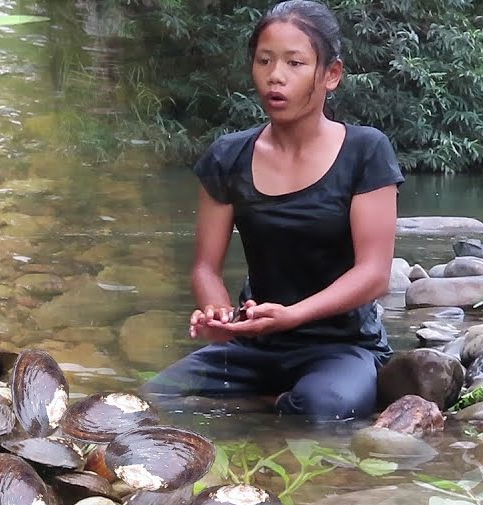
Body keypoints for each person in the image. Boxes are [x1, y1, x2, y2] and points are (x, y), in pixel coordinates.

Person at [140, 0, 404, 421]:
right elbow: (205, 269)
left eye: (295, 63)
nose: (275, 76)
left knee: (318, 411)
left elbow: (374, 275)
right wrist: (220, 317)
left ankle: (274, 407)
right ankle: (264, 406)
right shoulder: (228, 156)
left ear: (331, 75)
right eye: (264, 61)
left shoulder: (365, 150)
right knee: (149, 401)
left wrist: (291, 317)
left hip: (340, 346)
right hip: (253, 345)